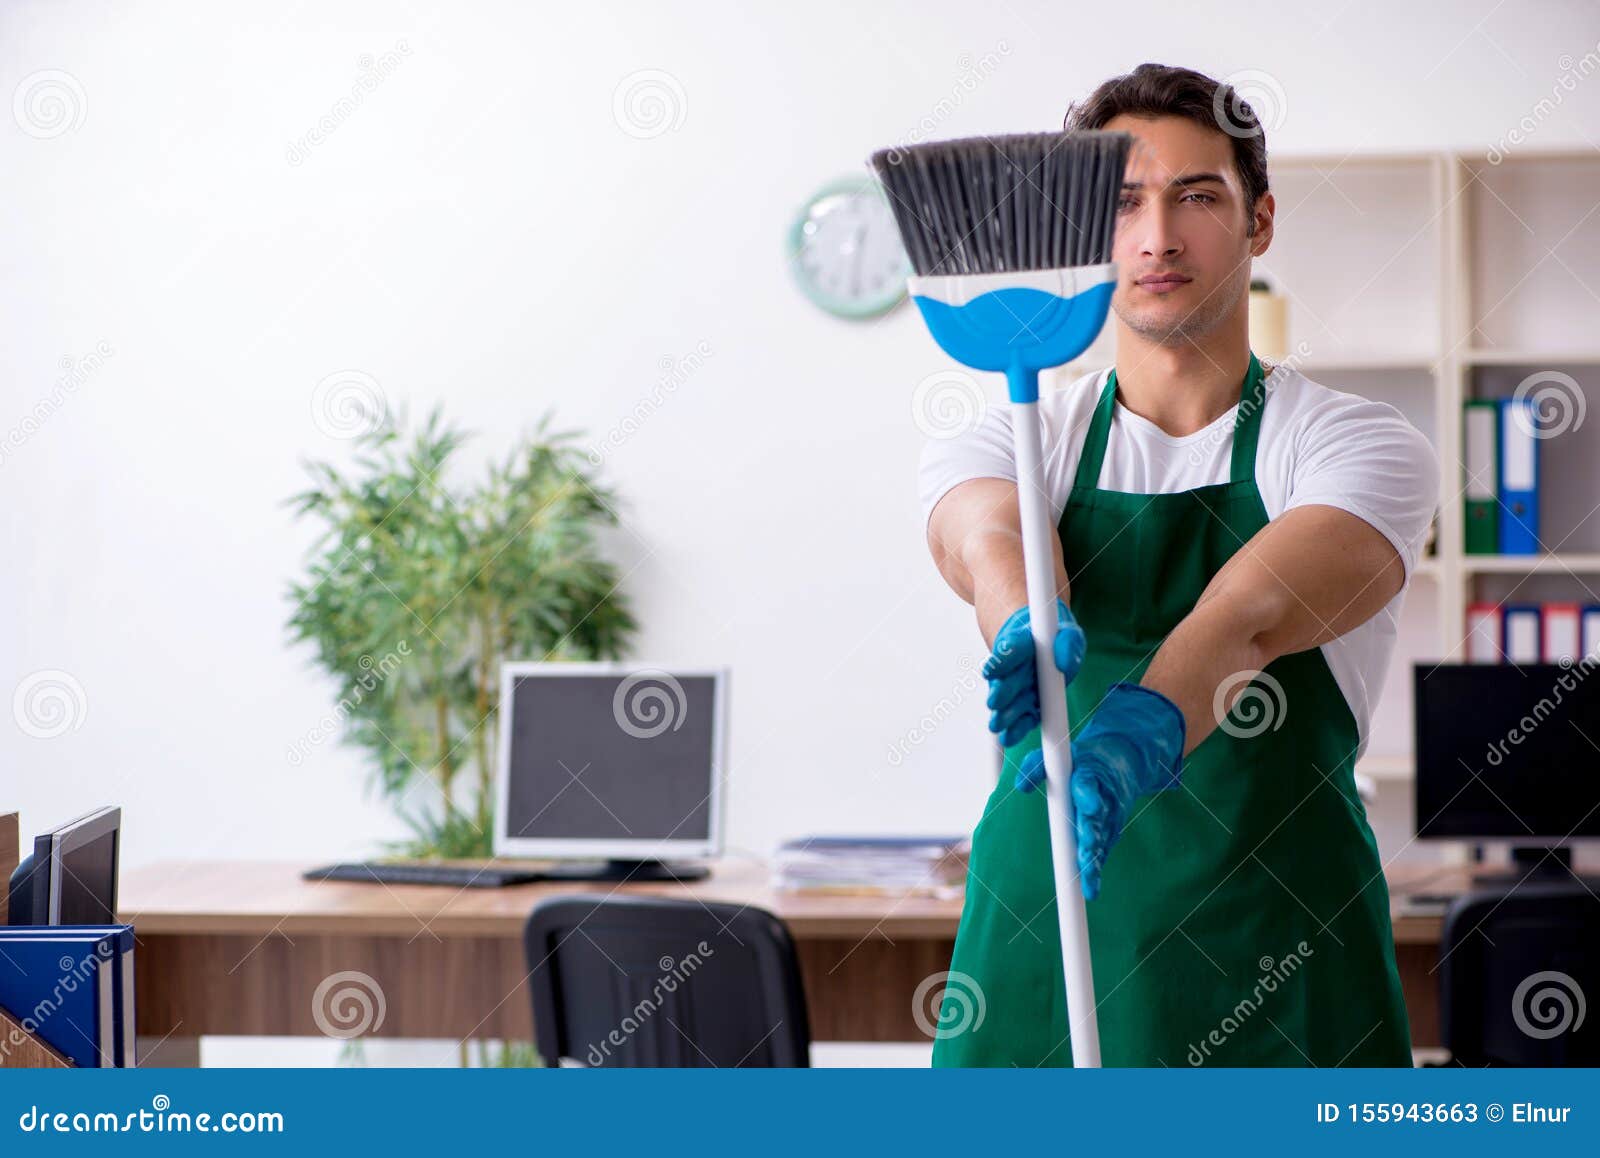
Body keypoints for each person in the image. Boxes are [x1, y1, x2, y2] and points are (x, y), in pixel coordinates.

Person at [919, 62, 1439, 1067]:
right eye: (1122, 205)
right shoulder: (1015, 437)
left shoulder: (1355, 445)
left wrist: (1144, 723)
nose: (1158, 236)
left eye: (1197, 196)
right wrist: (1024, 616)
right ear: (1086, 237)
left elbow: (1243, 615)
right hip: (1044, 926)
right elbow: (985, 538)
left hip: (1276, 947)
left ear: (1260, 222)